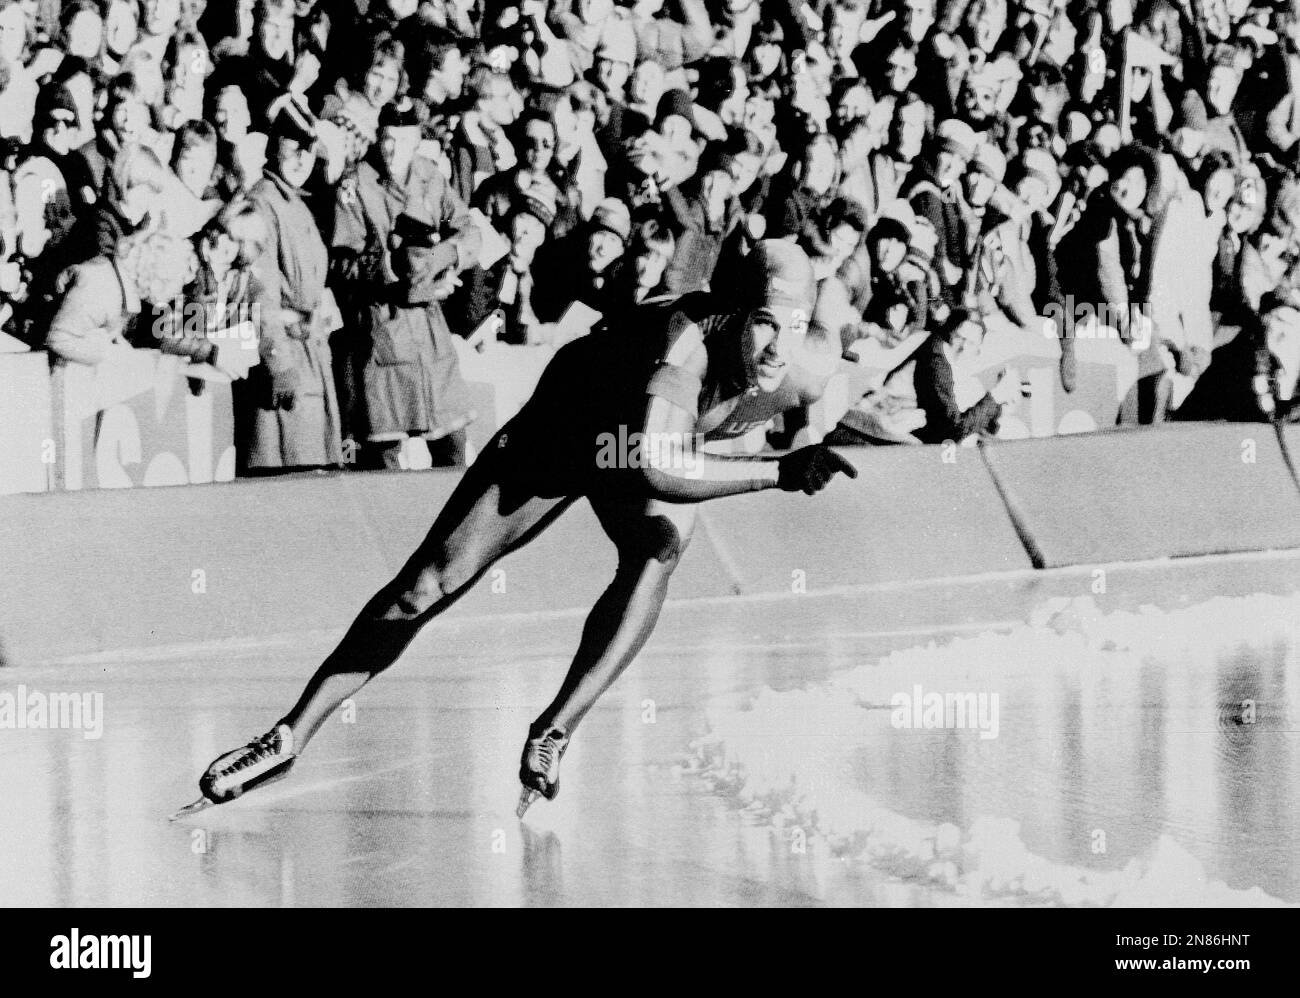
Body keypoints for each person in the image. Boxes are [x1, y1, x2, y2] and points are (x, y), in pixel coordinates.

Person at [190, 240, 858, 816]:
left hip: (644, 440)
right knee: (427, 585)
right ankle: (286, 737)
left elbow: (718, 435)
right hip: (571, 429)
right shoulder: (686, 338)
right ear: (732, 311)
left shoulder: (807, 364)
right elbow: (656, 465)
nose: (778, 346)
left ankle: (555, 730)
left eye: (793, 327)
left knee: (658, 548)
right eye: (765, 324)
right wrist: (776, 472)